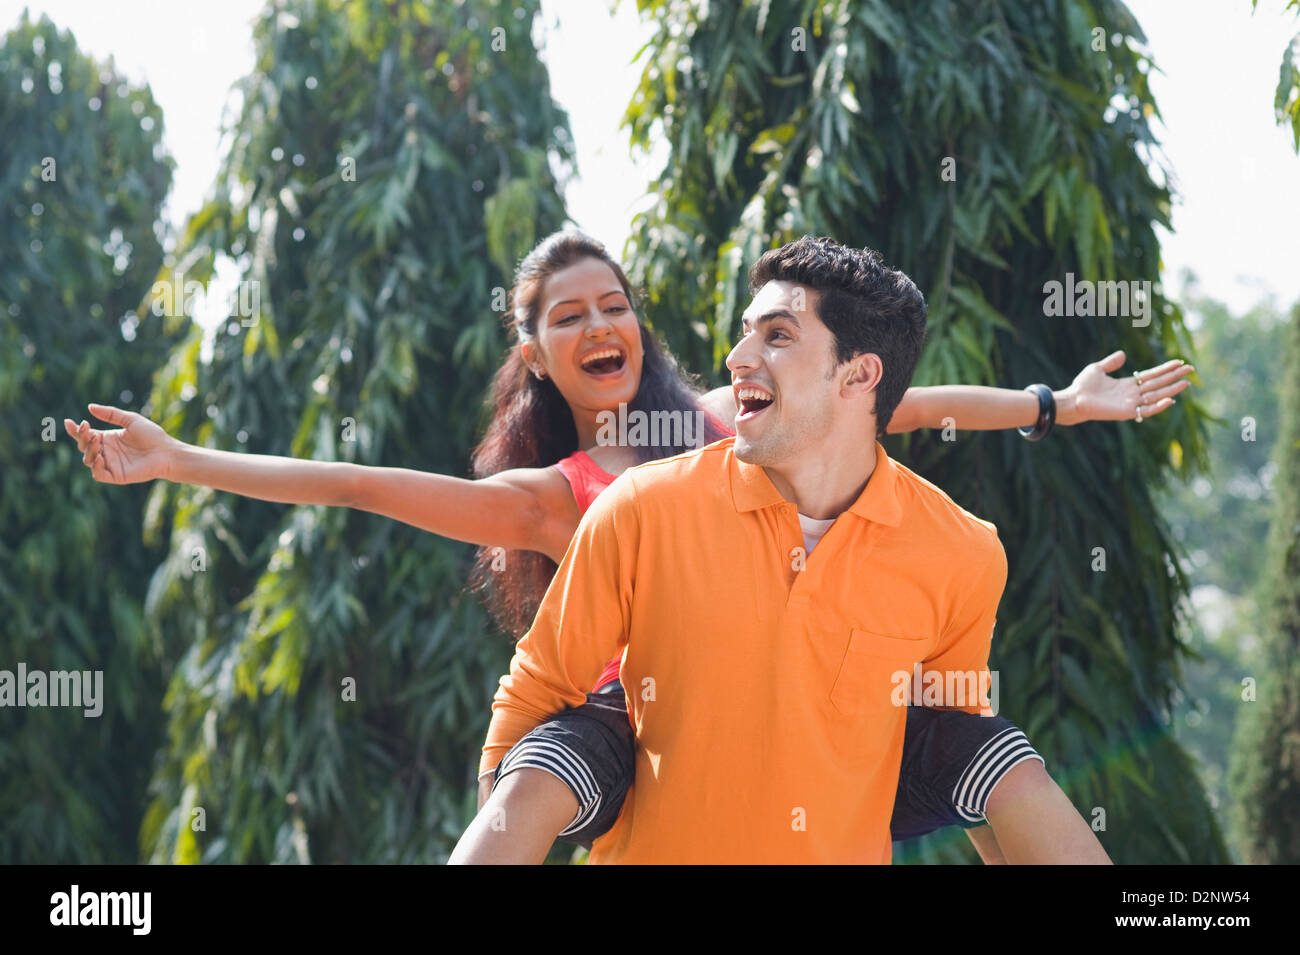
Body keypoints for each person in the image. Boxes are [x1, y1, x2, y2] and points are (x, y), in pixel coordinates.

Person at [67, 230, 1191, 863]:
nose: (599, 324)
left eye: (613, 303)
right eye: (566, 315)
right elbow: (361, 483)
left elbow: (901, 398)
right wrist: (181, 461)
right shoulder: (566, 497)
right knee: (536, 776)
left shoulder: (731, 418)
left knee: (981, 744)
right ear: (535, 351)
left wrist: (1052, 404)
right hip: (634, 723)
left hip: (820, 723)